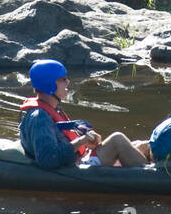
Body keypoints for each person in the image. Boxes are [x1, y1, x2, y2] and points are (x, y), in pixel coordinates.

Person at [19, 59, 150, 170]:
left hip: (80, 158)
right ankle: (153, 176)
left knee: (142, 145)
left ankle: (156, 165)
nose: (67, 82)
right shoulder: (39, 117)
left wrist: (86, 141)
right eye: (63, 79)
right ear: (50, 85)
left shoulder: (48, 111)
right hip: (76, 167)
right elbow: (48, 159)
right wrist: (81, 141)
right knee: (117, 140)